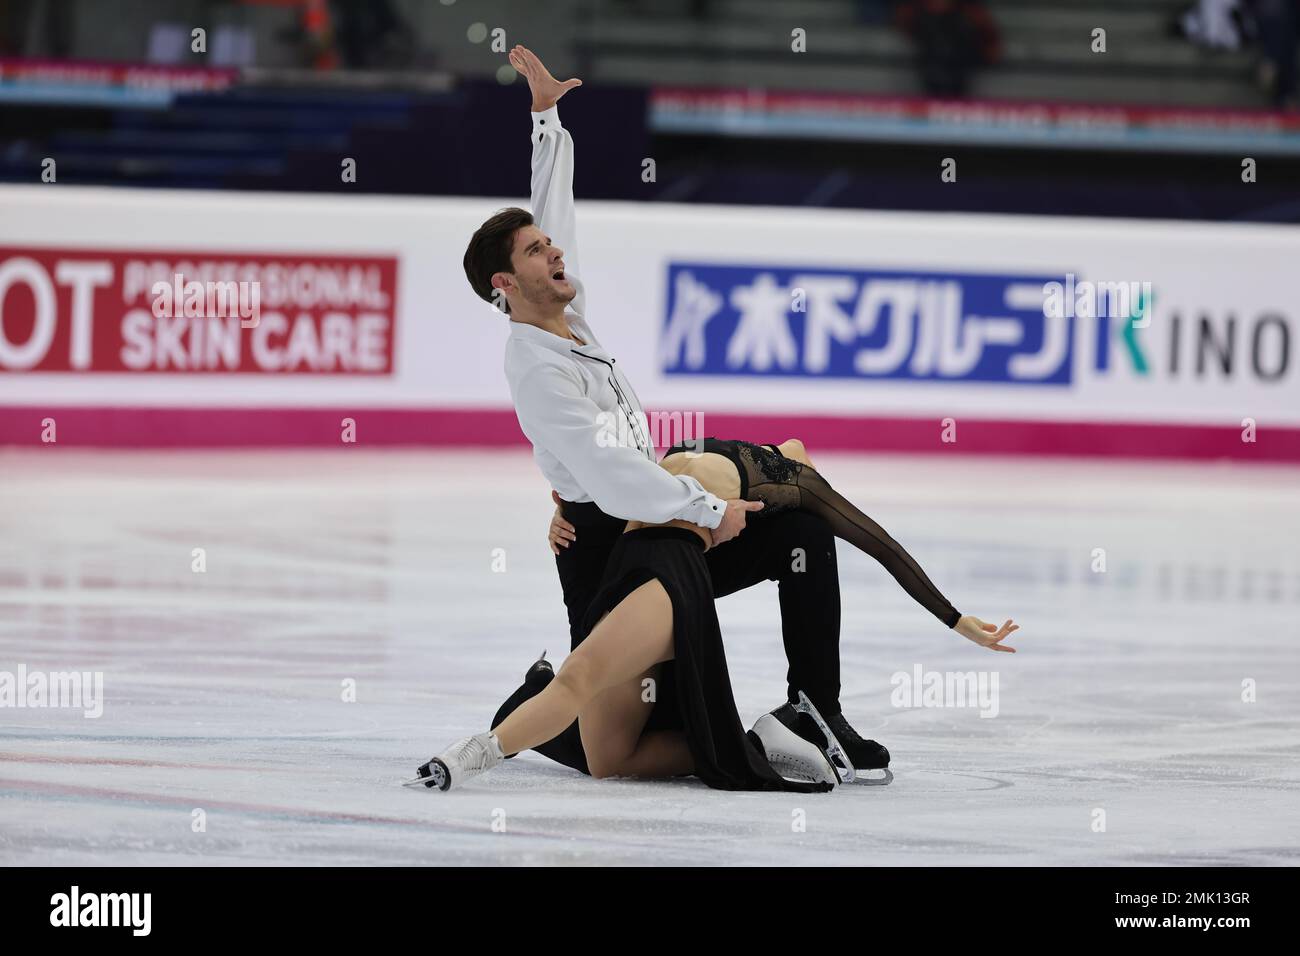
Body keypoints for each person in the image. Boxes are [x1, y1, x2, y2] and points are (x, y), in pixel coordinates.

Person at [462, 44, 895, 778]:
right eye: (537, 252)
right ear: (507, 283)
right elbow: (607, 470)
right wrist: (705, 511)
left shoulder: (570, 321)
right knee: (623, 752)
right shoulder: (531, 365)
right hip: (609, 550)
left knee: (800, 533)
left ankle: (815, 708)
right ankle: (532, 705)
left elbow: (553, 210)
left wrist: (547, 120)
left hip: (651, 515)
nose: (556, 251)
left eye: (550, 246)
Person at [415, 438, 1019, 792]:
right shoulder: (799, 483)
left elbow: (609, 479)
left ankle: (803, 713)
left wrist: (564, 509)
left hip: (656, 567)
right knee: (606, 754)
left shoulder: (686, 454)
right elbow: (881, 544)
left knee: (597, 714)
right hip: (656, 567)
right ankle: (754, 738)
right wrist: (956, 619)